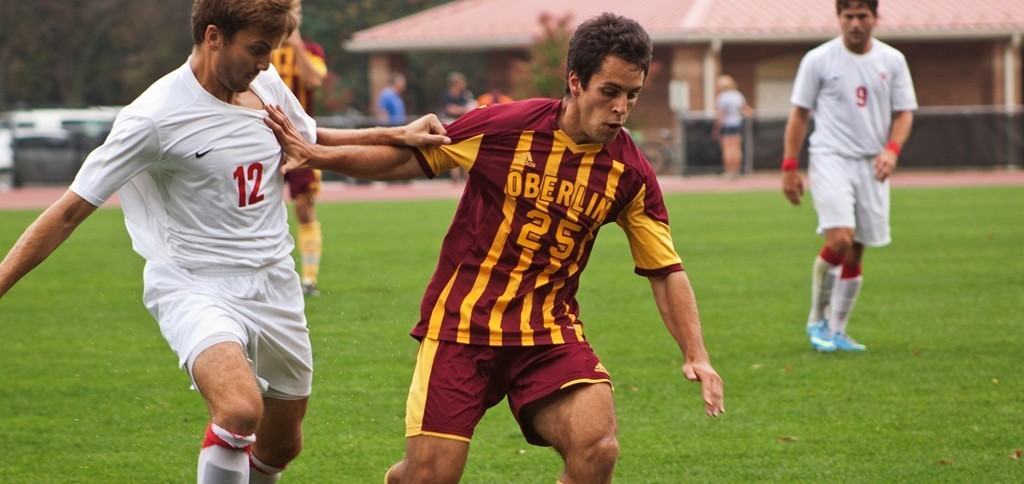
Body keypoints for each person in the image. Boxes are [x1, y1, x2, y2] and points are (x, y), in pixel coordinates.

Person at [264, 12, 724, 483]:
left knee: (598, 449)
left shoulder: (631, 173)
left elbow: (665, 268)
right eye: (610, 91)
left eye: (632, 95)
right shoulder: (507, 128)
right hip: (463, 327)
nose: (621, 108)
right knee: (431, 477)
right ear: (575, 82)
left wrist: (696, 353)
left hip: (547, 333)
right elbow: (409, 157)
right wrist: (320, 155)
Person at [0, 0, 447, 481]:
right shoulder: (152, 117)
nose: (266, 63)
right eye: (257, 49)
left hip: (275, 281)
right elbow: (68, 211)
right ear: (213, 37)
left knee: (282, 446)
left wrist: (397, 133)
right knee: (238, 411)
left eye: (271, 51)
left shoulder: (265, 84)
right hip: (194, 283)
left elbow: (311, 137)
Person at [782, 0, 916, 352]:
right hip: (831, 157)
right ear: (839, 18)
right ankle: (816, 319)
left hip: (872, 162)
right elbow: (799, 114)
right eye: (848, 16)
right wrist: (790, 167)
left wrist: (892, 150)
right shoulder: (818, 59)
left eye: (862, 16)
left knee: (857, 250)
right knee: (840, 239)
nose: (855, 23)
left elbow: (904, 114)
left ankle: (838, 330)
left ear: (875, 18)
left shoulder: (892, 61)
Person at [270, 1, 327, 297]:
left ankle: (309, 280)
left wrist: (295, 43)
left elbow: (313, 80)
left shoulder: (312, 51)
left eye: (298, 12)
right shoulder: (262, 46)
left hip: (300, 140)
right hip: (262, 137)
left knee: (304, 206)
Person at [712, 74, 752, 179]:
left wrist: (716, 128)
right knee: (736, 148)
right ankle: (736, 170)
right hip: (737, 123)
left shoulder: (722, 97)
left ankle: (729, 171)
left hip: (726, 124)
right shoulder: (737, 95)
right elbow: (747, 110)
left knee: (727, 149)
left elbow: (721, 114)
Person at [439, 71, 476, 184]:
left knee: (466, 149)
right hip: (451, 124)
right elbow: (449, 109)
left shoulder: (465, 95)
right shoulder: (447, 96)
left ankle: (467, 176)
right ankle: (455, 177)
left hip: (463, 124)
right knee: (453, 149)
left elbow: (471, 107)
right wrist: (462, 109)